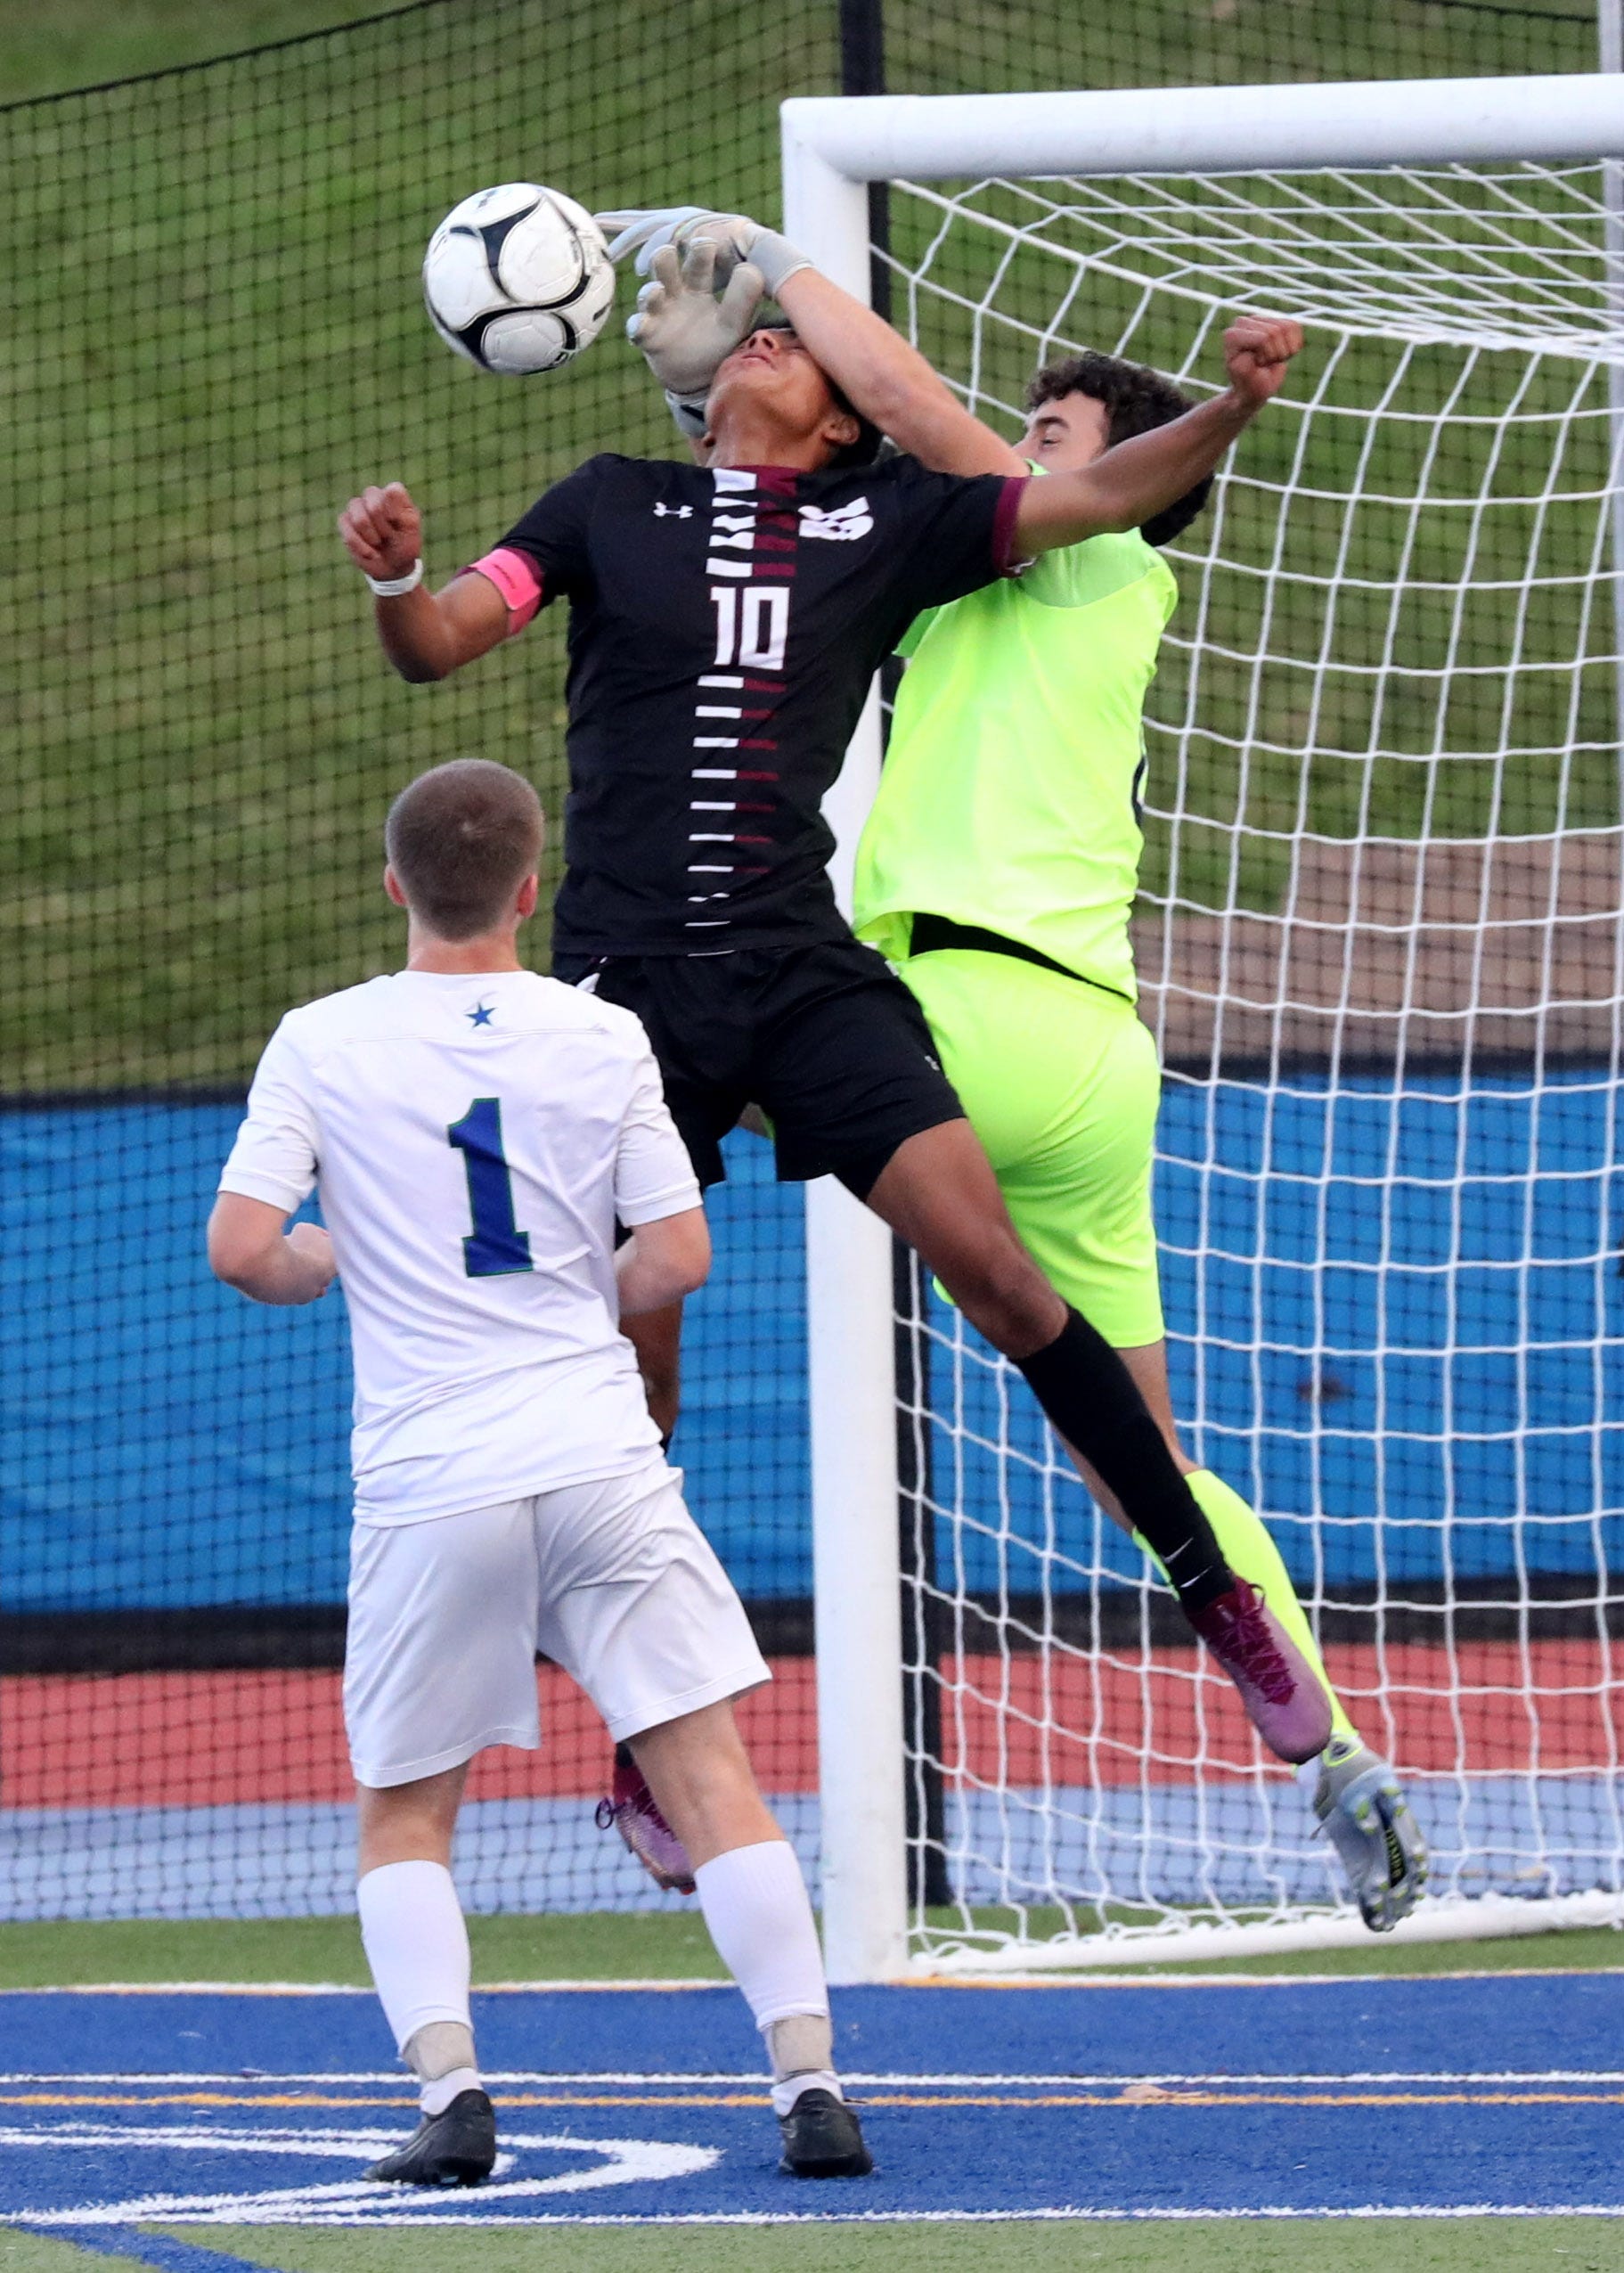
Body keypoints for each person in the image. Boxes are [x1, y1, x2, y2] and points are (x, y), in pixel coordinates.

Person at [337, 212, 1332, 1769]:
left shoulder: (893, 530)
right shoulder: (610, 504)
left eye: (788, 340)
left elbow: (1103, 494)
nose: (763, 337)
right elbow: (443, 644)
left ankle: (1224, 1607)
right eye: (755, 335)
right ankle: (648, 1739)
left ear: (848, 421)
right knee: (631, 1360)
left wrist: (1236, 415)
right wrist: (396, 584)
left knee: (998, 1273)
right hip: (624, 988)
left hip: (805, 968)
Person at [609, 234, 1425, 1927]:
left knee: (652, 1089)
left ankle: (649, 1747)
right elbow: (805, 494)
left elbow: (892, 405)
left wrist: (773, 270)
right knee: (1146, 1454)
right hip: (1097, 1055)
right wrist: (714, 392)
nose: (1018, 440)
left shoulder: (1085, 558)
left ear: (1115, 479)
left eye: (1050, 431)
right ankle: (1332, 1746)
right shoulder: (999, 577)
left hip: (955, 1003)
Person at [207, 759, 872, 2184]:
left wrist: (332, 1259)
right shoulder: (603, 1033)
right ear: (530, 890)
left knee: (406, 1813)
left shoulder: (321, 1039)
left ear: (394, 885)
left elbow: (243, 1247)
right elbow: (678, 1257)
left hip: (434, 1475)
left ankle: (453, 2101)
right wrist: (579, 1296)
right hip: (594, 1451)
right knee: (709, 1778)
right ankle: (810, 2086)